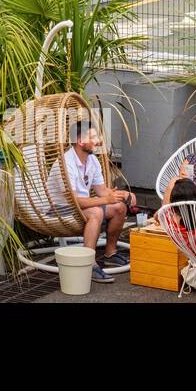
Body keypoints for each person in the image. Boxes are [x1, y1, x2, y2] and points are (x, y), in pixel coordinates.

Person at [55, 121, 137, 283]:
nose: (98, 141)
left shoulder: (92, 160)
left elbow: (102, 191)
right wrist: (105, 199)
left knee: (119, 207)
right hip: (60, 209)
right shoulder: (65, 164)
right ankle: (88, 264)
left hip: (80, 207)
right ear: (80, 141)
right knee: (97, 211)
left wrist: (122, 194)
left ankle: (110, 253)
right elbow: (74, 202)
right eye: (93, 137)